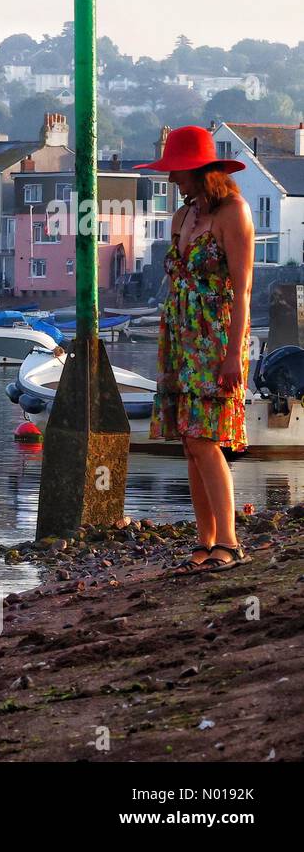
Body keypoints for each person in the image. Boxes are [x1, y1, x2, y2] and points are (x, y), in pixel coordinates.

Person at [137, 126, 254, 575]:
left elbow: (242, 291)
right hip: (180, 334)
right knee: (189, 442)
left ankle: (229, 540)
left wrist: (232, 354)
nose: (172, 181)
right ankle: (205, 539)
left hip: (216, 337)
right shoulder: (182, 217)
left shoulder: (234, 213)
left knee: (206, 439)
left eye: (178, 172)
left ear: (201, 171)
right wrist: (167, 353)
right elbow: (178, 282)